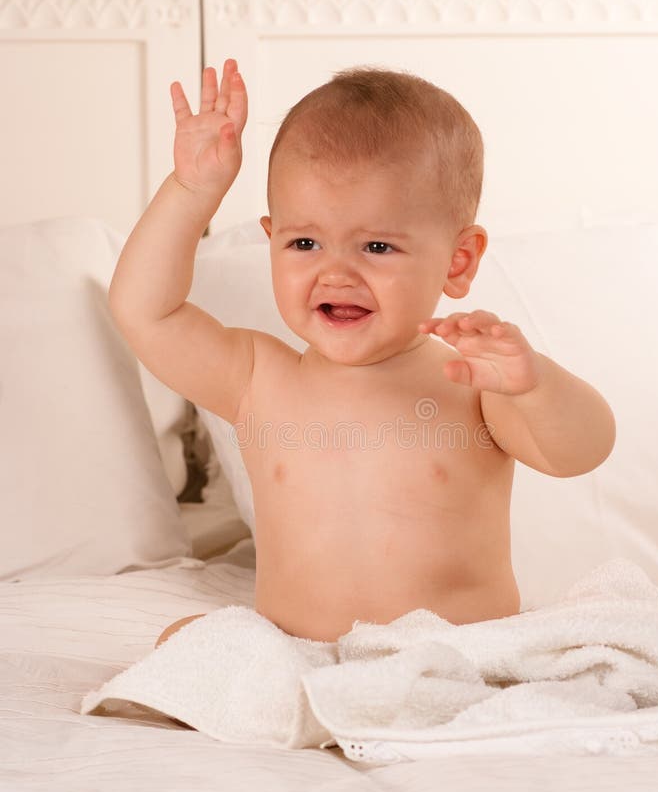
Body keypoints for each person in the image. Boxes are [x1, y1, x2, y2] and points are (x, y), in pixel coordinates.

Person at [109, 59, 616, 646]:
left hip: (452, 656)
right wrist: (193, 190)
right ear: (270, 240)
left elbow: (582, 450)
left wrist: (535, 387)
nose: (336, 272)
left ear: (458, 261)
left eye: (376, 246)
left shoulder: (470, 383)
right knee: (189, 640)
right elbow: (145, 311)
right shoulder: (256, 378)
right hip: (302, 659)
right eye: (305, 242)